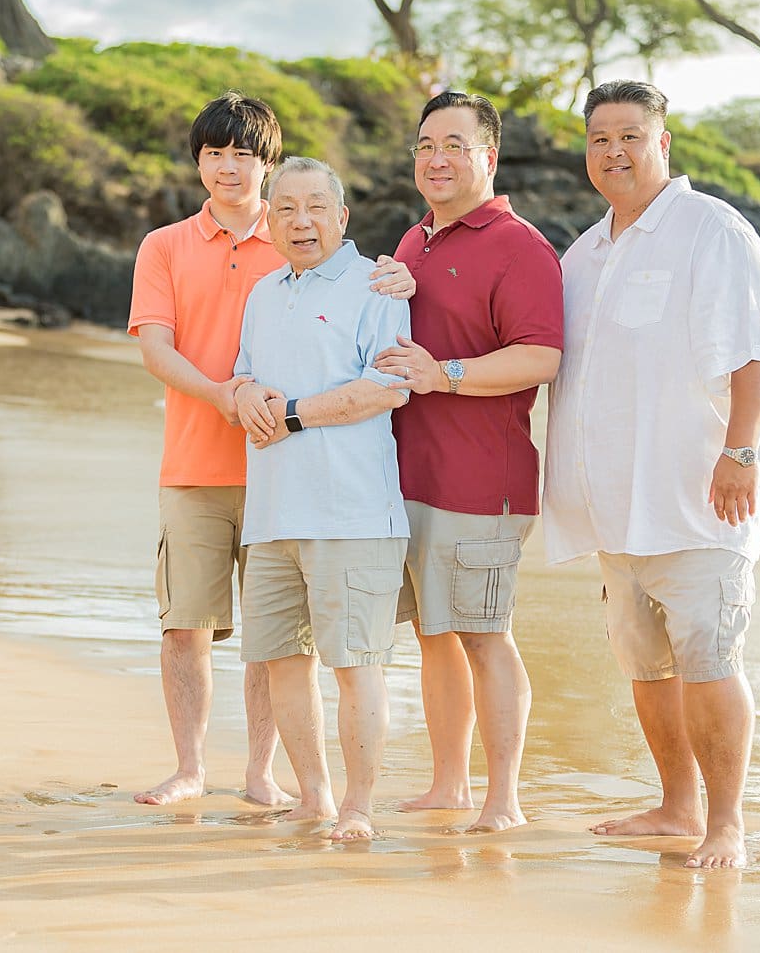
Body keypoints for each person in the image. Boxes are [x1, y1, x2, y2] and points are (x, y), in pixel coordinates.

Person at [127, 93, 414, 807]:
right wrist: (226, 395)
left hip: (288, 481)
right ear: (198, 162)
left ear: (269, 164)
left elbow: (383, 335)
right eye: (214, 154)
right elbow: (157, 349)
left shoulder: (302, 241)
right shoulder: (166, 246)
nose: (228, 167)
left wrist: (409, 275)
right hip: (196, 464)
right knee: (186, 625)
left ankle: (263, 772)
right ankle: (191, 768)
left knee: (280, 641)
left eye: (243, 154)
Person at [543, 80, 760, 869]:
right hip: (618, 509)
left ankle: (727, 823)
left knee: (710, 661)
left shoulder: (711, 229)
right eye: (599, 138)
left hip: (699, 500)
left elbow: (756, 355)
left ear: (663, 143)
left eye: (630, 136)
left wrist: (741, 452)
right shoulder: (585, 253)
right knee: (647, 666)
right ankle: (677, 805)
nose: (613, 151)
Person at [372, 92, 563, 832]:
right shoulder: (414, 239)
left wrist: (443, 373)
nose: (437, 158)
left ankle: (502, 797)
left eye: (455, 144)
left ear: (490, 155)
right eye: (425, 145)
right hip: (409, 477)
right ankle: (448, 784)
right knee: (433, 632)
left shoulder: (520, 246)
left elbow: (541, 356)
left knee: (484, 634)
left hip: (483, 485)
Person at [231, 156, 411, 841]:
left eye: (315, 207)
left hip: (352, 514)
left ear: (342, 216)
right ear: (270, 220)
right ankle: (314, 796)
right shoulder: (264, 292)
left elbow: (387, 388)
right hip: (271, 513)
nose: (300, 221)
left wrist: (292, 415)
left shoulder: (377, 285)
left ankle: (359, 805)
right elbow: (244, 375)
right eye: (285, 208)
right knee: (282, 661)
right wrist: (248, 394)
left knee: (355, 665)